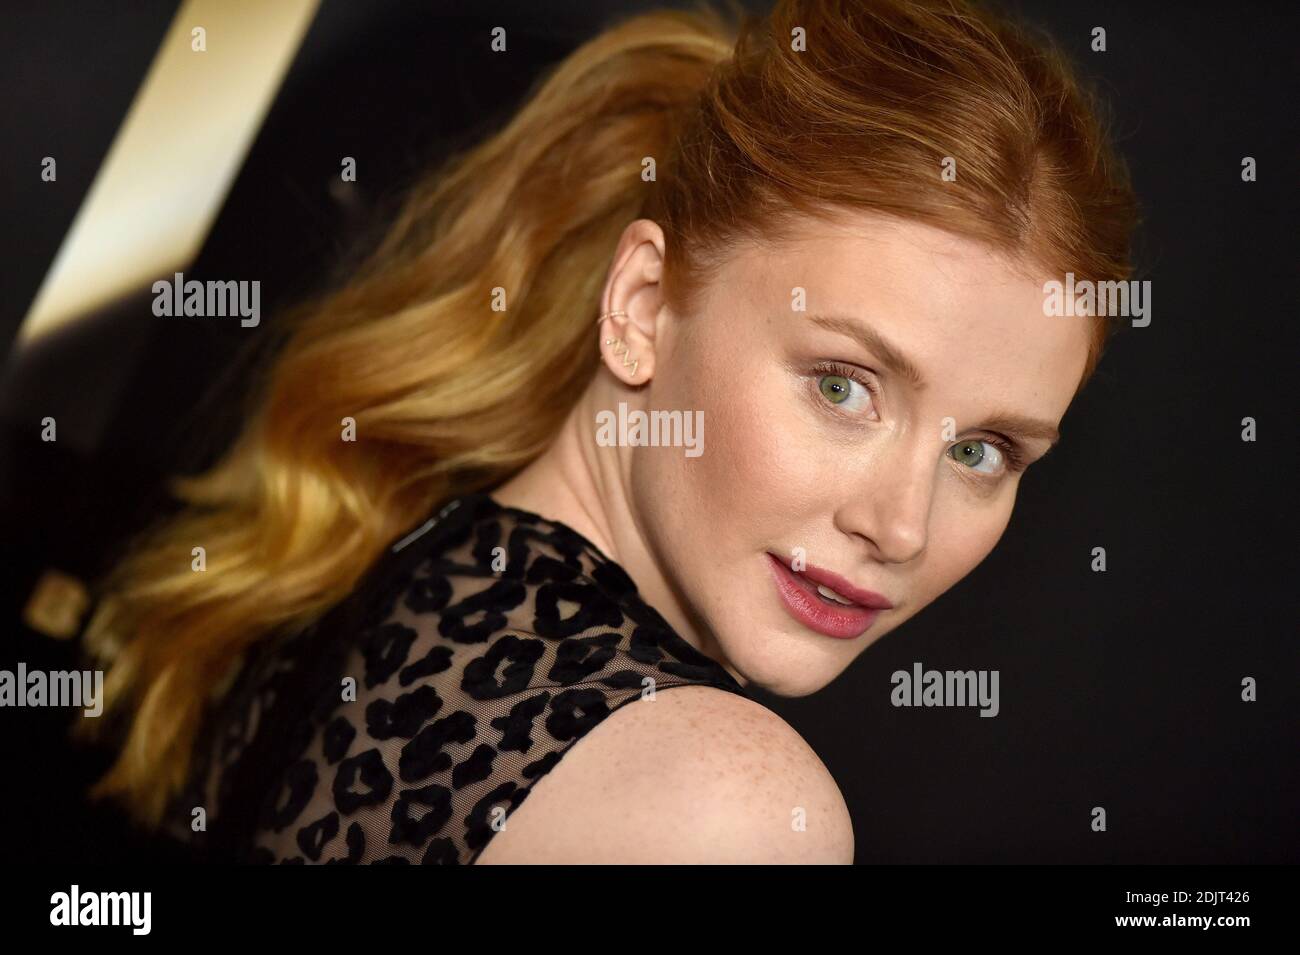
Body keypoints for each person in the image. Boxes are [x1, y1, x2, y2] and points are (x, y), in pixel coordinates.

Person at [74, 0, 1138, 863]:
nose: (899, 526)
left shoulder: (355, 580)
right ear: (639, 304)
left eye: (982, 451)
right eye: (843, 385)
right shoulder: (732, 811)